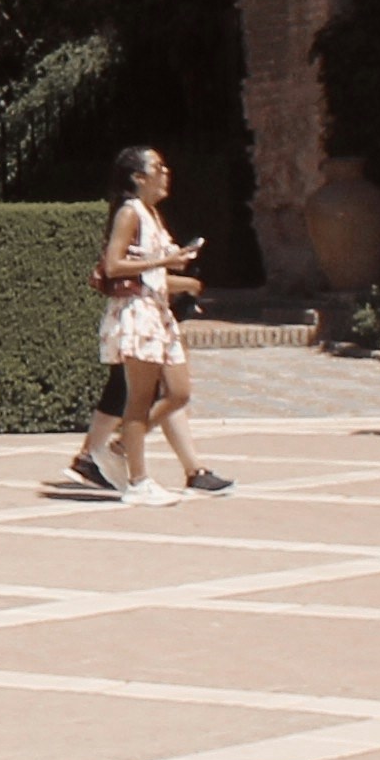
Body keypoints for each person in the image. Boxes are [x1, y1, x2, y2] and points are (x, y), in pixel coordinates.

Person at [92, 143, 229, 504]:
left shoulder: (150, 213)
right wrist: (161, 260)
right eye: (159, 167)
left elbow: (153, 263)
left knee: (179, 391)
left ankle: (121, 446)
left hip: (157, 312)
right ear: (139, 177)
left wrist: (175, 261)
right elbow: (113, 265)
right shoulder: (130, 213)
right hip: (137, 311)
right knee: (139, 399)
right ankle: (138, 482)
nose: (165, 173)